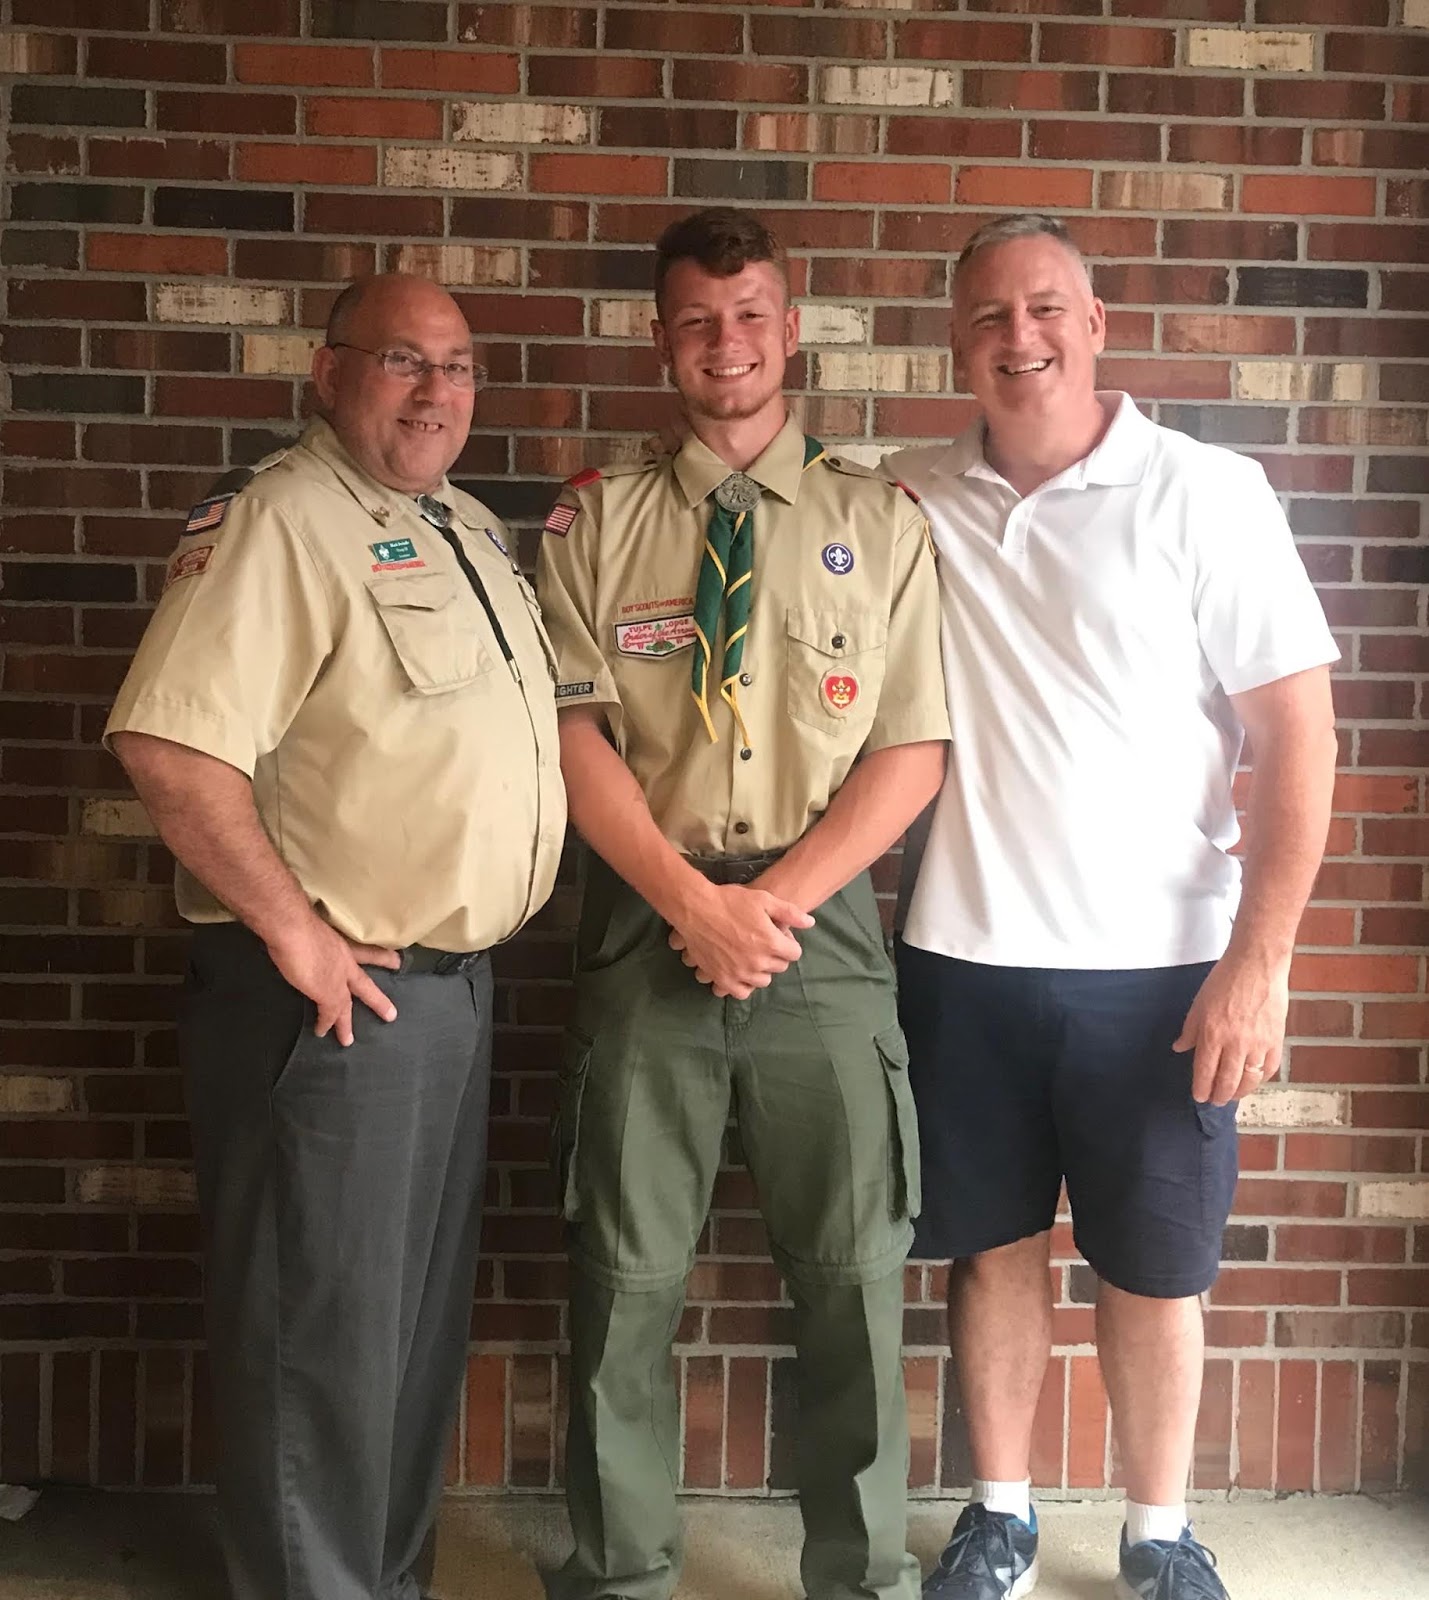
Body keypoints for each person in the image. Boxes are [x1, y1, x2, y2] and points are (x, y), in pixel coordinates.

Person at [884, 214, 1339, 1600]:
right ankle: (1000, 1517)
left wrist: (1258, 964)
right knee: (991, 1251)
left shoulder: (1207, 492)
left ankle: (1158, 1532)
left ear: (1094, 325)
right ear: (954, 343)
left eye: (1044, 309)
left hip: (1162, 971)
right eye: (986, 316)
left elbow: (1298, 735)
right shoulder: (902, 496)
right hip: (963, 954)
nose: (1017, 337)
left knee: (1152, 1269)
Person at [105, 273, 566, 1600]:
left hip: (449, 995)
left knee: (405, 1341)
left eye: (458, 366)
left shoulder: (465, 528)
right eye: (403, 360)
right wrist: (296, 933)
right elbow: (169, 747)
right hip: (330, 1001)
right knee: (318, 1344)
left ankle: (384, 1585)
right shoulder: (280, 520)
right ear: (328, 372)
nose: (436, 392)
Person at [535, 207, 951, 1600]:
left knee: (853, 1275)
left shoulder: (877, 519)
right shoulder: (595, 521)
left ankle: (862, 1577)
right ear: (662, 341)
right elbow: (570, 735)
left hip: (817, 927)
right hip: (640, 917)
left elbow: (911, 749)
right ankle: (621, 1575)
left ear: (791, 329)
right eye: (700, 321)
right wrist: (686, 901)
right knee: (623, 1277)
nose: (729, 343)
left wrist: (763, 905)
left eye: (753, 314)